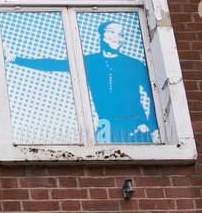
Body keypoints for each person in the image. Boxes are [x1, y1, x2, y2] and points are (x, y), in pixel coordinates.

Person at [9, 18, 156, 143]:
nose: (116, 37)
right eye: (111, 31)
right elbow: (52, 64)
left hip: (137, 125)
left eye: (121, 34)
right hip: (107, 126)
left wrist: (150, 125)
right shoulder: (89, 62)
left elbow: (154, 94)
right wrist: (15, 59)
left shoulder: (134, 64)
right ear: (101, 34)